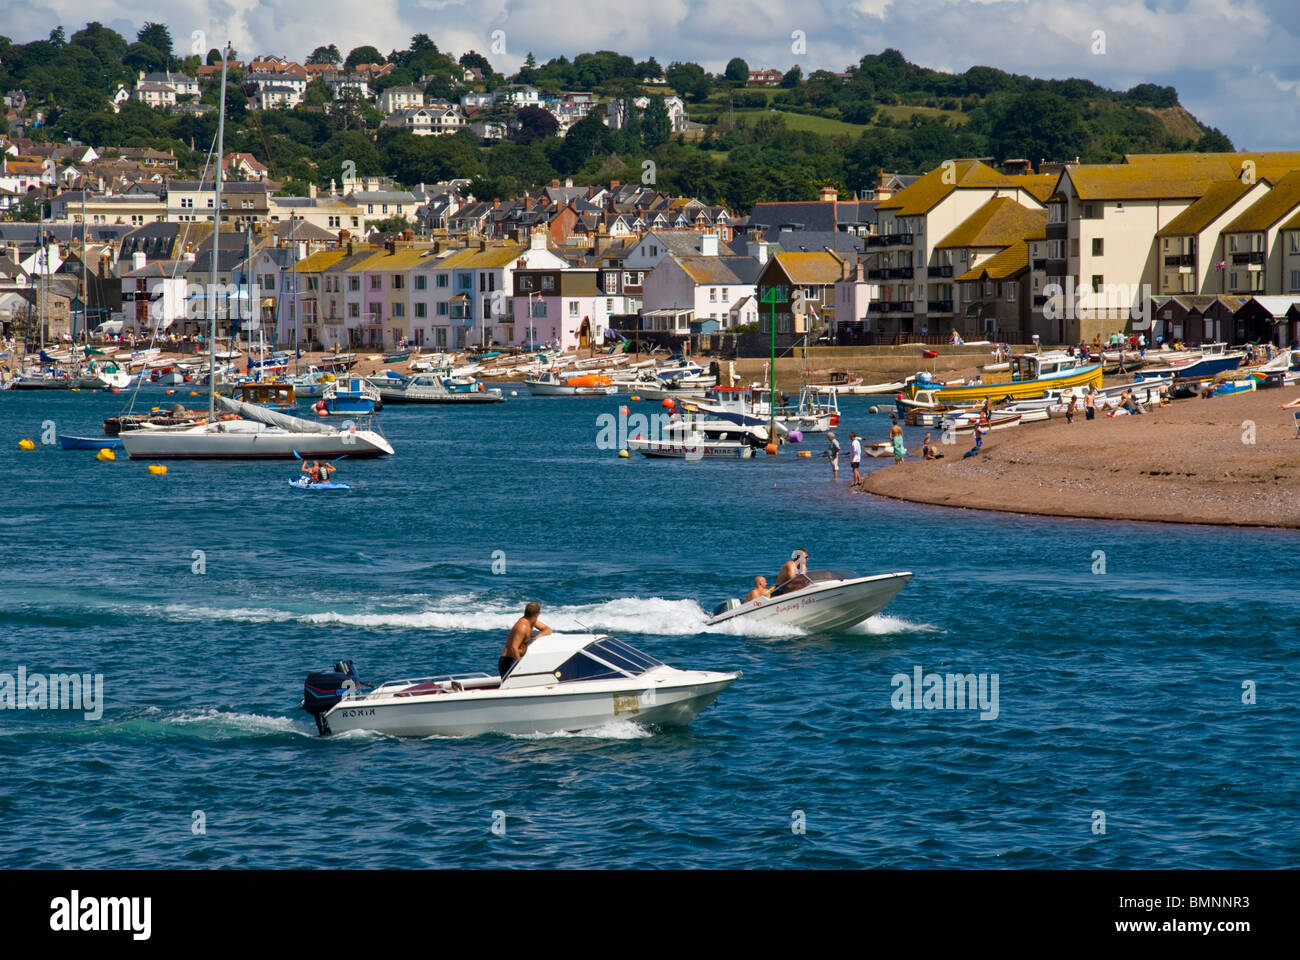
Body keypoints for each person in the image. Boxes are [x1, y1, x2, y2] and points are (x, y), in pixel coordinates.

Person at [500, 602, 551, 678]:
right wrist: (520, 665)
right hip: (509, 661)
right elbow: (514, 648)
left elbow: (547, 629)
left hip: (517, 659)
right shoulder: (522, 626)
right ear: (537, 614)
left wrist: (537, 636)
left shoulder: (531, 621)